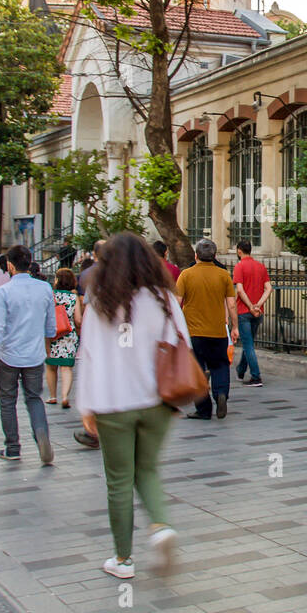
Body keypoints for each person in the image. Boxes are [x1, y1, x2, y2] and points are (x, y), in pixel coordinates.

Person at [76, 232, 182, 579]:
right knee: (147, 469)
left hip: (113, 402)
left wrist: (86, 405)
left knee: (119, 480)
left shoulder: (100, 304)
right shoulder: (164, 298)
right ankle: (162, 525)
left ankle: (123, 560)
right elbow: (182, 343)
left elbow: (88, 357)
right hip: (156, 400)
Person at [0, 245, 56, 465]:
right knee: (34, 398)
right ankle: (41, 434)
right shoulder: (44, 288)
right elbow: (50, 326)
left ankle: (12, 447)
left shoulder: (4, 291)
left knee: (7, 400)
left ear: (11, 266)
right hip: (34, 354)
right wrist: (47, 346)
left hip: (8, 355)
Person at [175, 238, 238, 421]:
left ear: (196, 256)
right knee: (220, 365)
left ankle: (203, 409)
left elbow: (177, 303)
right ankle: (221, 394)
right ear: (215, 256)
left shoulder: (186, 275)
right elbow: (232, 304)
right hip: (217, 330)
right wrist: (234, 327)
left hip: (193, 332)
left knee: (197, 370)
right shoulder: (223, 275)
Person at [232, 240, 272, 387]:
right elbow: (269, 288)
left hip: (244, 311)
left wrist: (249, 306)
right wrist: (258, 305)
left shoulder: (239, 266)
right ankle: (241, 370)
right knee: (249, 343)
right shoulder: (260, 267)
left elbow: (240, 290)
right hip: (258, 311)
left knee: (248, 345)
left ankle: (256, 376)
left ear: (239, 251)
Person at [46, 268, 81, 408]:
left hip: (52, 334)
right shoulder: (74, 298)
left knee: (51, 367)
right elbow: (78, 320)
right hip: (68, 335)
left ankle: (53, 396)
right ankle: (65, 396)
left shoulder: (50, 295)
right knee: (66, 368)